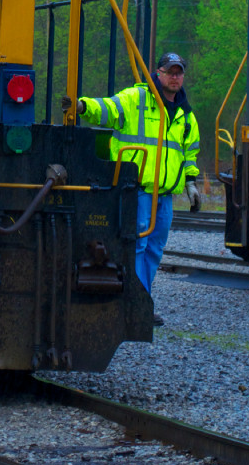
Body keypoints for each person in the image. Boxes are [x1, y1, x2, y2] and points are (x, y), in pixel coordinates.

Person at [77, 51, 201, 325]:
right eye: (170, 71)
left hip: (165, 195)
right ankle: (133, 304)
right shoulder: (137, 98)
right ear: (158, 73)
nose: (174, 76)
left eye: (179, 72)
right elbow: (108, 109)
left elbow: (189, 153)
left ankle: (140, 300)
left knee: (154, 249)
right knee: (137, 246)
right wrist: (83, 106)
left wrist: (191, 183)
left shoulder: (185, 115)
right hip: (138, 190)